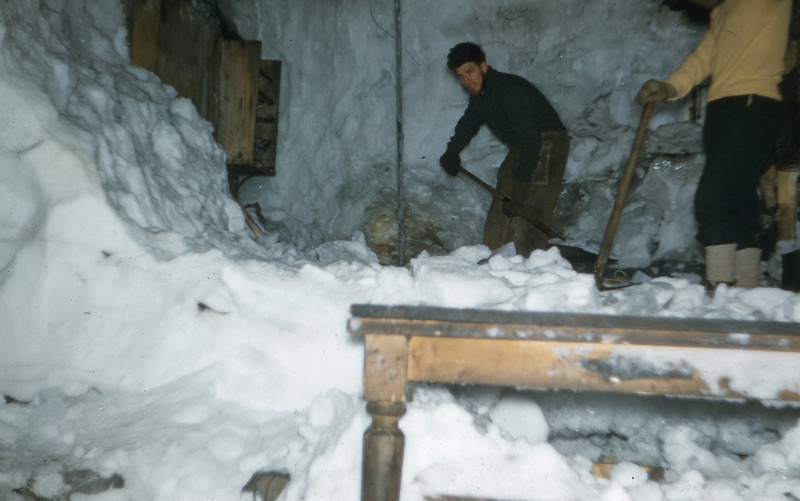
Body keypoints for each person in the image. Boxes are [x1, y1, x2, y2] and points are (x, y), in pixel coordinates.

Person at [636, 0, 792, 288]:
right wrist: (670, 87)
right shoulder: (724, 10)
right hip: (725, 108)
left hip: (752, 102)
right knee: (738, 197)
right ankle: (745, 287)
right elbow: (704, 57)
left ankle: (720, 286)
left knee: (713, 196)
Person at [439, 42, 569, 257]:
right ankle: (494, 257)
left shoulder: (509, 91)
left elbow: (531, 140)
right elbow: (469, 122)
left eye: (470, 71)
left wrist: (519, 192)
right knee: (503, 201)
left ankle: (532, 262)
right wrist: (452, 151)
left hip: (547, 140)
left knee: (528, 206)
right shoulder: (482, 95)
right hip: (522, 145)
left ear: (483, 66)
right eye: (460, 76)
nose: (466, 80)